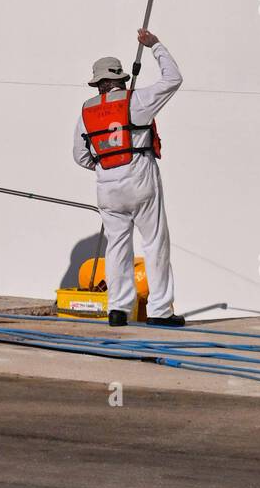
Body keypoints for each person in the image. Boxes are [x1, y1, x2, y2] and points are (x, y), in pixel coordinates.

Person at [73, 29, 184, 327]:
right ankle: (160, 311)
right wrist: (155, 46)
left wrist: (106, 165)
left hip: (107, 189)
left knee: (118, 247)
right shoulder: (138, 100)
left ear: (98, 84)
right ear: (121, 79)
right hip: (140, 182)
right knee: (155, 242)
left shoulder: (86, 110)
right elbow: (173, 79)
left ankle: (118, 309)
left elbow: (81, 156)